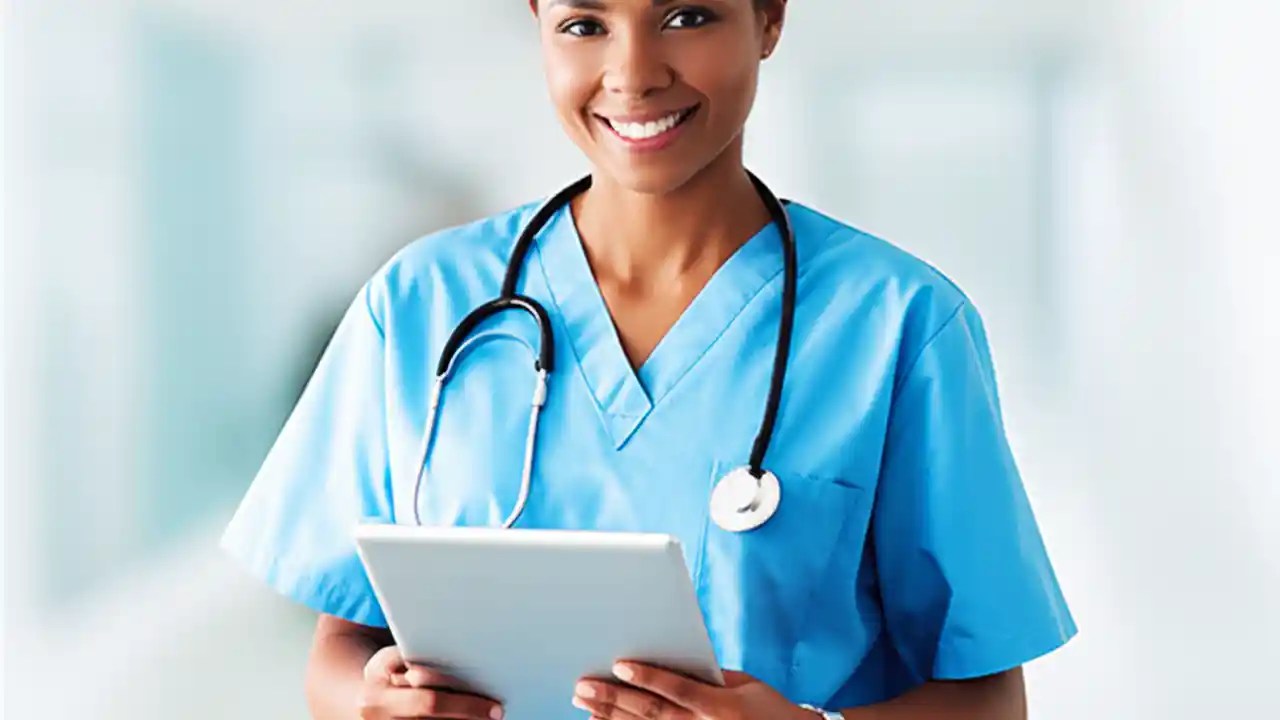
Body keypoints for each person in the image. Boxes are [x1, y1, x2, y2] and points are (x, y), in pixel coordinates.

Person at [220, 1, 1077, 718]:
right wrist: (371, 699)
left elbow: (989, 697)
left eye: (686, 16)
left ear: (769, 18)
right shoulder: (418, 306)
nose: (632, 73)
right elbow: (340, 651)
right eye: (585, 24)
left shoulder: (899, 326)